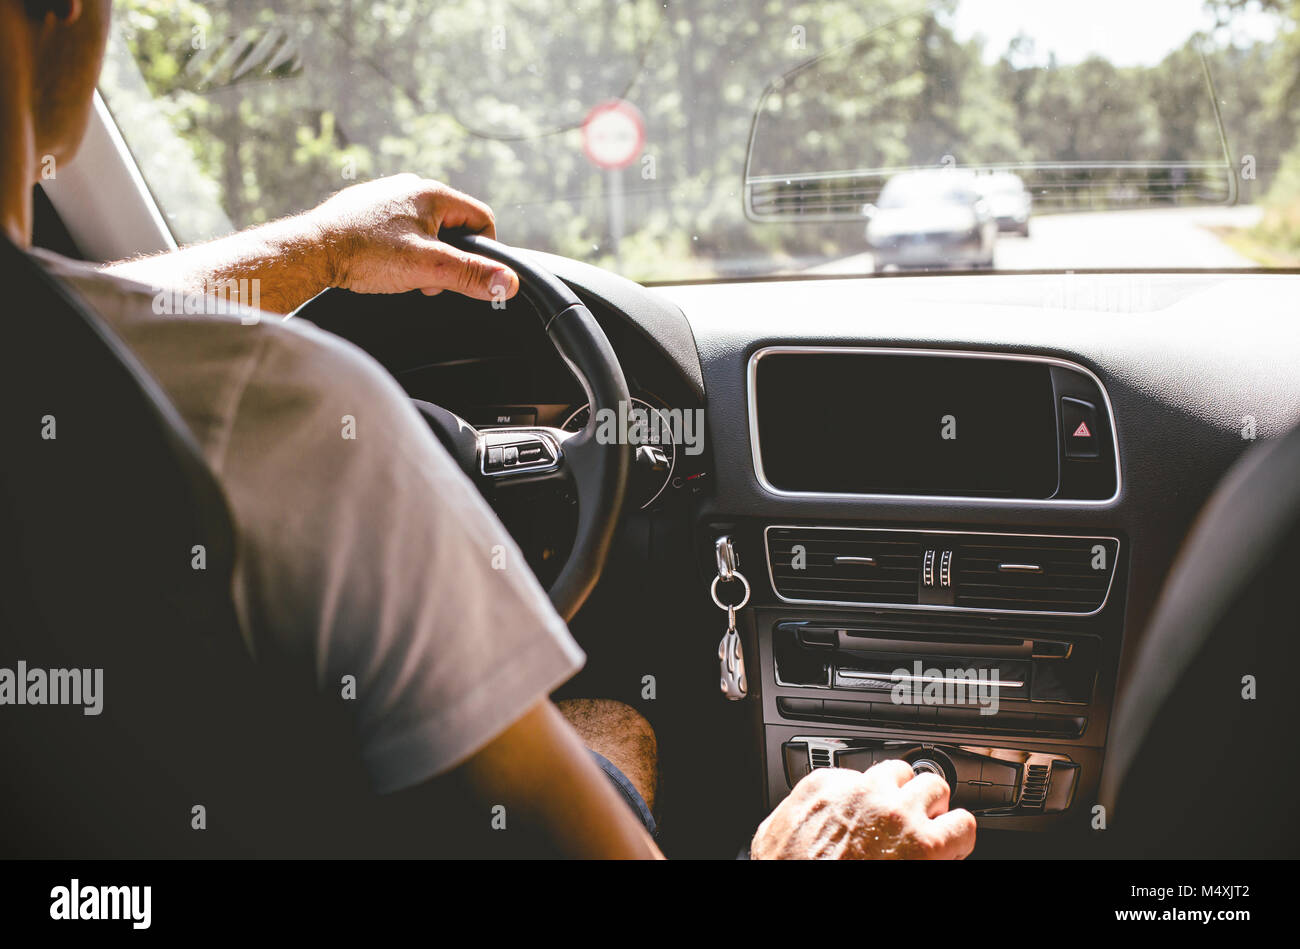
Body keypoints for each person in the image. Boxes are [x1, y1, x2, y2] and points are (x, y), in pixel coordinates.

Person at [0, 0, 976, 860]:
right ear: (67, 13)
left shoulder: (106, 369)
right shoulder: (290, 416)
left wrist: (326, 247)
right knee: (604, 723)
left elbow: (87, 312)